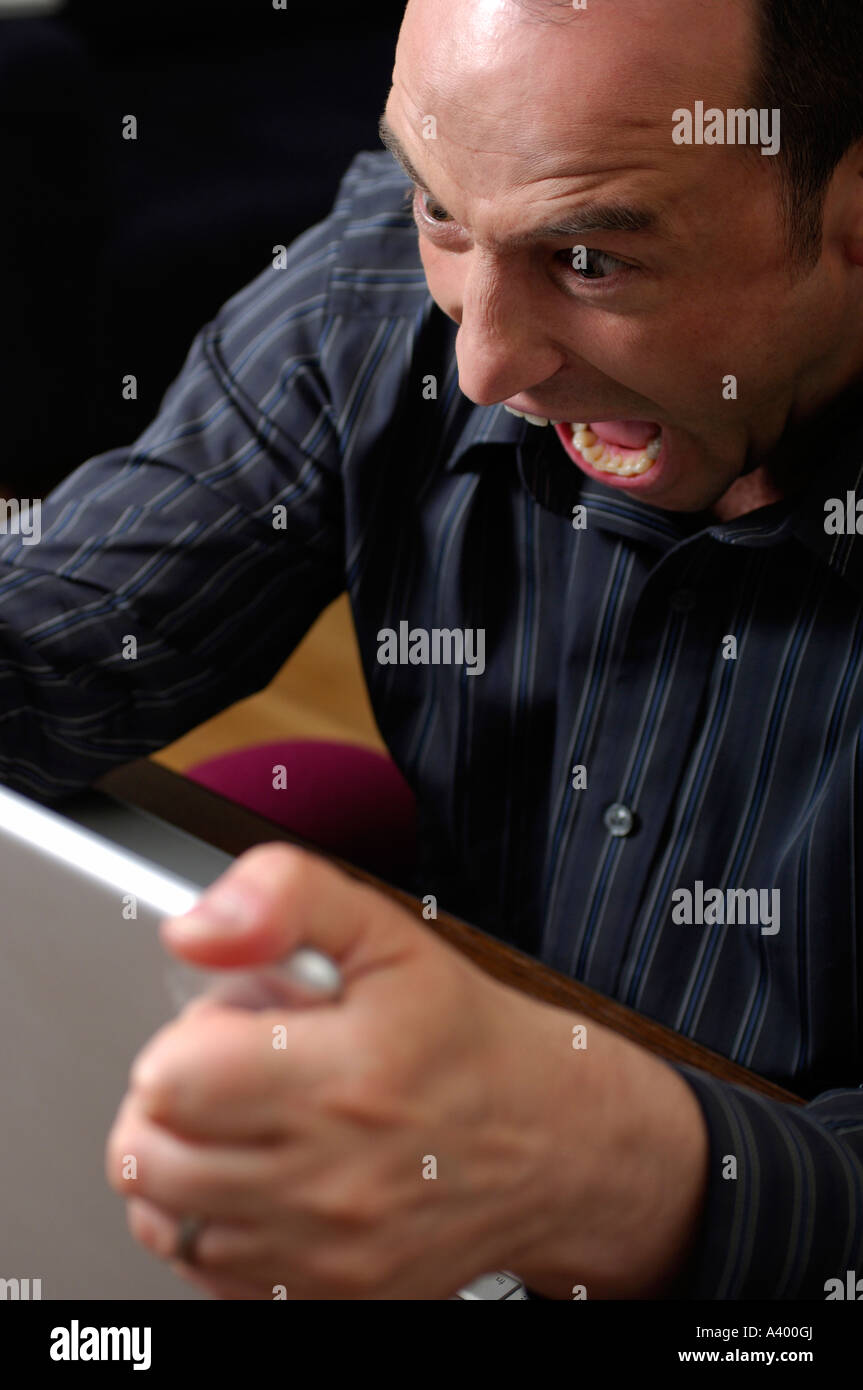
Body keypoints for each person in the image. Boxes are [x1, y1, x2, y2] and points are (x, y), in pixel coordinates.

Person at [2, 0, 863, 1298]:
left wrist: (629, 1170)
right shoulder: (382, 274)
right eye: (440, 209)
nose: (481, 360)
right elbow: (57, 641)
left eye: (589, 260)